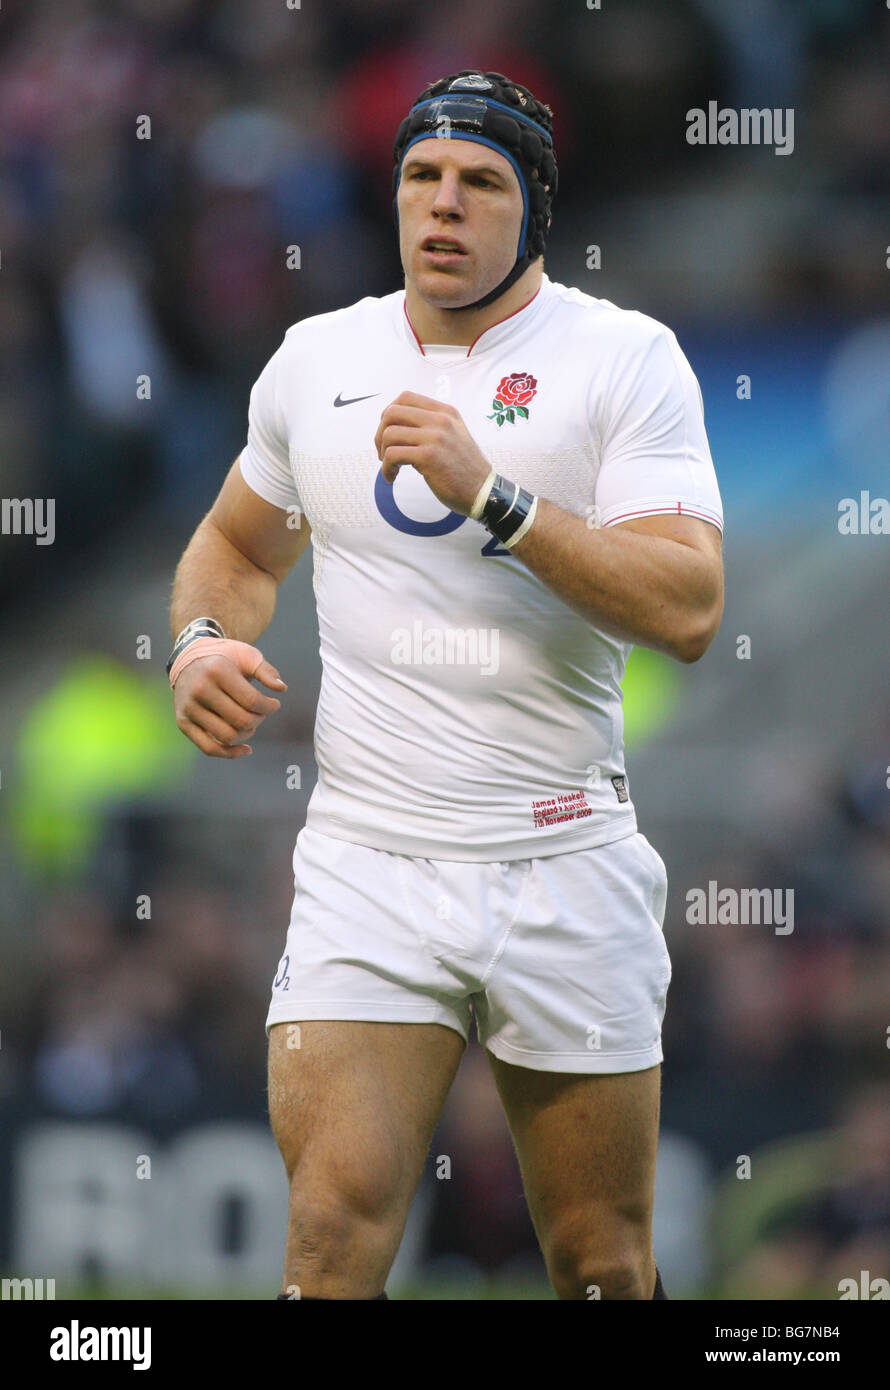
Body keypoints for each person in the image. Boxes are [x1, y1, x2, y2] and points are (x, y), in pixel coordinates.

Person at [167, 70, 724, 1300]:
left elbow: (687, 608)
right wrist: (202, 637)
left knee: (599, 1261)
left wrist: (497, 495)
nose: (443, 204)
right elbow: (240, 547)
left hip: (564, 859)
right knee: (328, 1240)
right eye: (422, 175)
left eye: (481, 182)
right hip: (372, 862)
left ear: (532, 207)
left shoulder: (622, 358)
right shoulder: (318, 359)